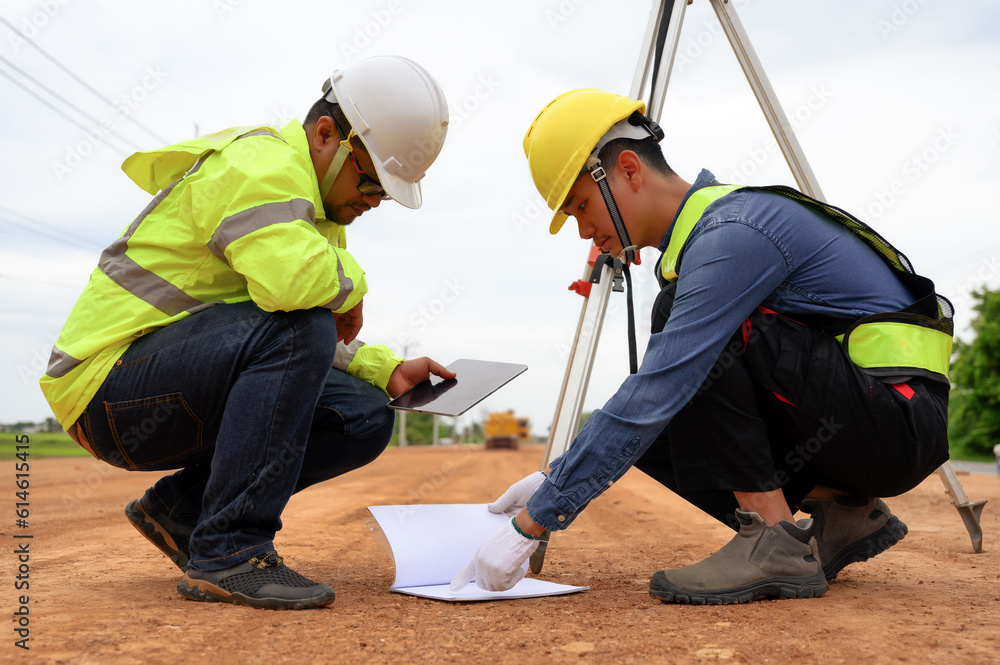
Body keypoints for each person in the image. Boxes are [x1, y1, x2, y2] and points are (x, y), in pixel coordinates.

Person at [452, 89, 953, 604]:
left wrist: (534, 522)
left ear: (628, 170)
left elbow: (659, 387)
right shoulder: (711, 237)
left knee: (678, 340)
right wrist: (553, 476)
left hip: (898, 420)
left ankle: (773, 541)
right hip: (868, 418)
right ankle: (842, 512)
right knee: (656, 422)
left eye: (582, 206)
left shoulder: (732, 235)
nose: (585, 232)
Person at [40, 56, 455, 610]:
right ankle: (229, 552)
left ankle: (182, 512)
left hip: (165, 381)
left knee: (363, 415)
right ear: (326, 135)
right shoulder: (260, 165)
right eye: (374, 180)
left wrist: (383, 370)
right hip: (105, 390)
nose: (376, 201)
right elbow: (292, 298)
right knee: (301, 322)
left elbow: (284, 331)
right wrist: (351, 286)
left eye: (386, 193)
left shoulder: (314, 216)